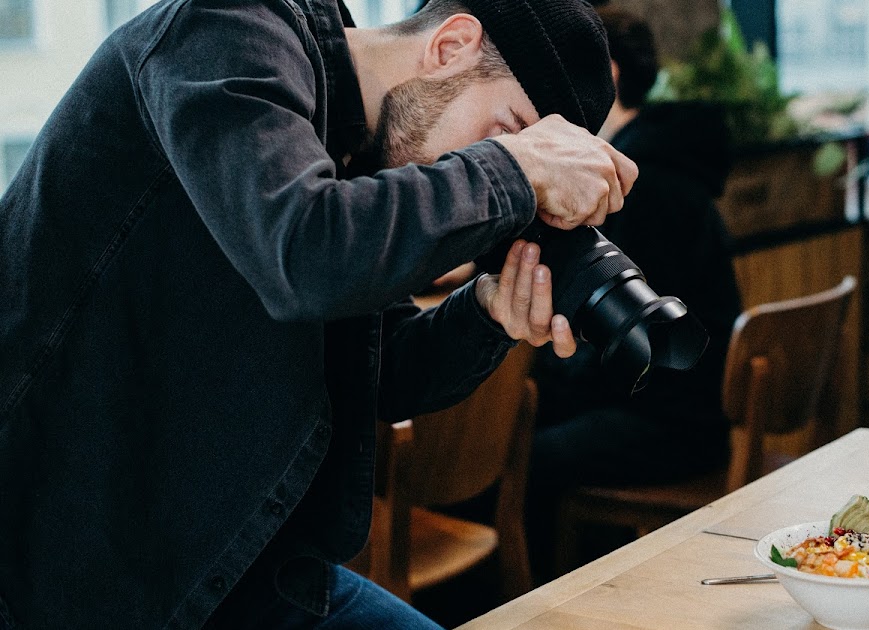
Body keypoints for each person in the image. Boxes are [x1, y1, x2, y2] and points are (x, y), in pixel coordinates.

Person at [0, 0, 638, 628]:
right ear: (450, 48)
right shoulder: (226, 30)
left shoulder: (352, 145)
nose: (495, 164)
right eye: (504, 131)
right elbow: (303, 254)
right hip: (56, 569)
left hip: (229, 567)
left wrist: (487, 313)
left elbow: (381, 370)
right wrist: (513, 169)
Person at [526, 6, 743, 575]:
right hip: (690, 409)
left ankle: (525, 601)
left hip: (671, 423)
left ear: (609, 75)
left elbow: (635, 351)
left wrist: (543, 381)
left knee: (518, 454)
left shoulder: (640, 185)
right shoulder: (666, 160)